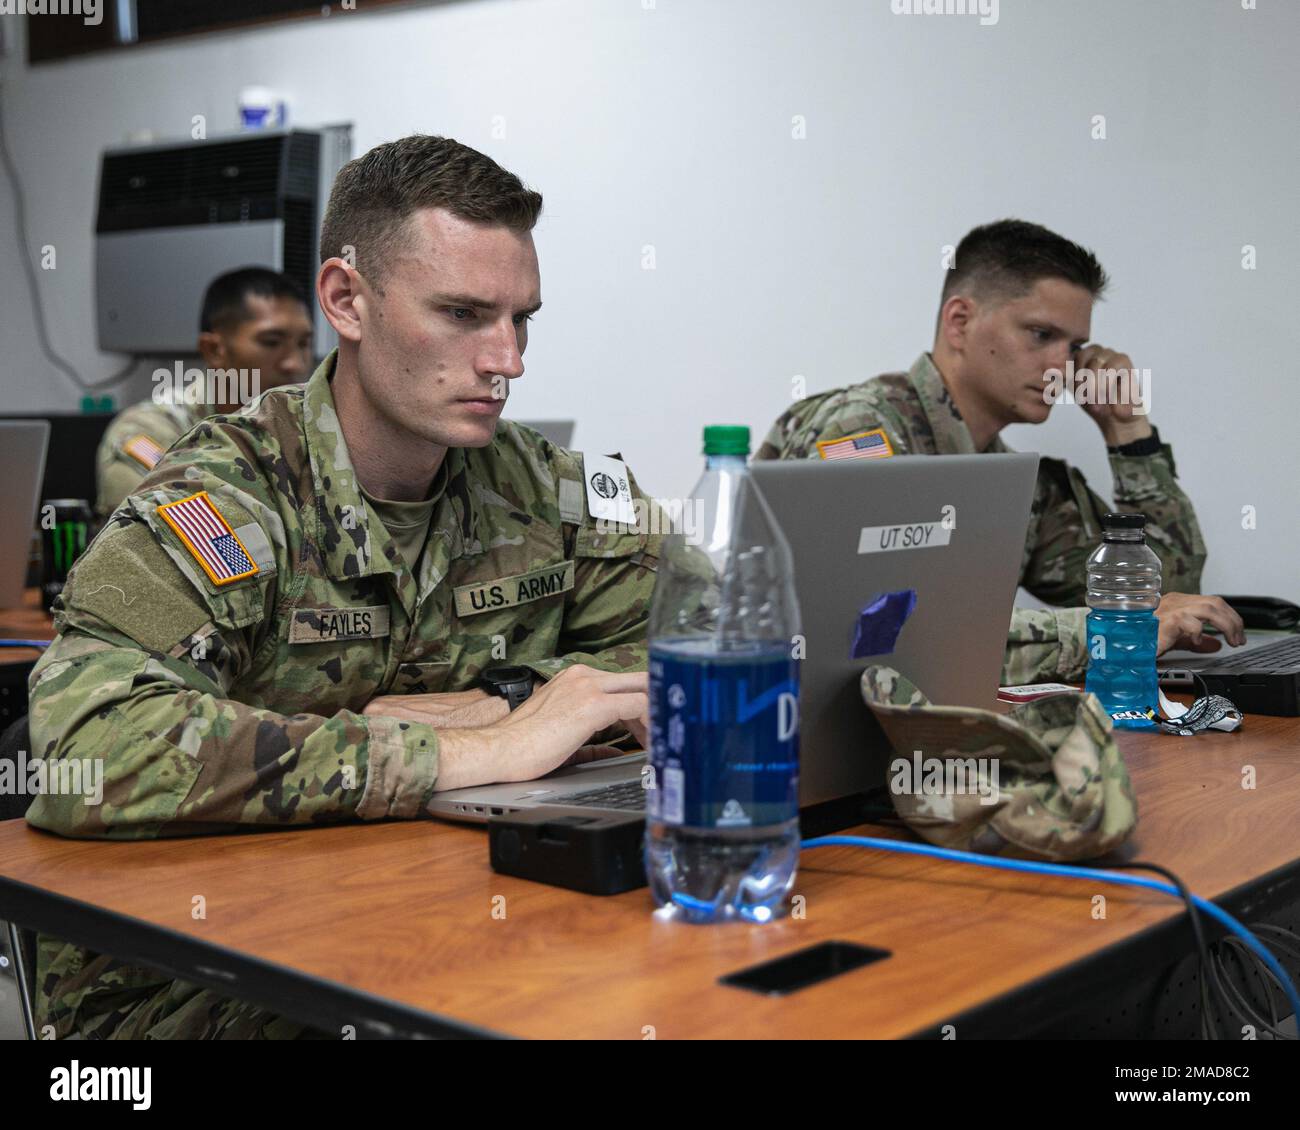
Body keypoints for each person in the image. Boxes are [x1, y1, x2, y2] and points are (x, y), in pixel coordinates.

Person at [27, 135, 659, 1039]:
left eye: (523, 320)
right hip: (202, 967)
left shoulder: (555, 488)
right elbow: (85, 751)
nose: (508, 360)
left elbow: (709, 648)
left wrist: (499, 705)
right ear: (346, 301)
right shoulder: (227, 496)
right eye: (464, 314)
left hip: (439, 915)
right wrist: (455, 752)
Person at [756, 219, 1244, 682]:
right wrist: (1106, 635)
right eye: (1041, 334)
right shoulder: (864, 434)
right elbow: (874, 638)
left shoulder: (1013, 482)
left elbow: (1164, 599)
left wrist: (1128, 433)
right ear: (960, 322)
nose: (1062, 367)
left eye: (1075, 348)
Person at [94, 267, 314, 519]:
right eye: (271, 342)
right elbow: (173, 530)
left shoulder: (308, 429)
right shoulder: (152, 430)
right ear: (213, 350)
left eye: (303, 344)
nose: (295, 364)